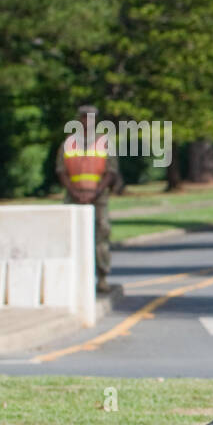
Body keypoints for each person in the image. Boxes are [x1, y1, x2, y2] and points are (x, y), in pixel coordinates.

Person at [56, 105, 119, 295]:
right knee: (70, 237)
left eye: (90, 118)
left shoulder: (104, 143)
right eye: (83, 117)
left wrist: (95, 192)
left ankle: (102, 277)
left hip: (98, 197)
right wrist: (75, 192)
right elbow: (61, 171)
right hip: (73, 196)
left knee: (101, 234)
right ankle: (71, 279)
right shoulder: (68, 143)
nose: (86, 121)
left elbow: (111, 172)